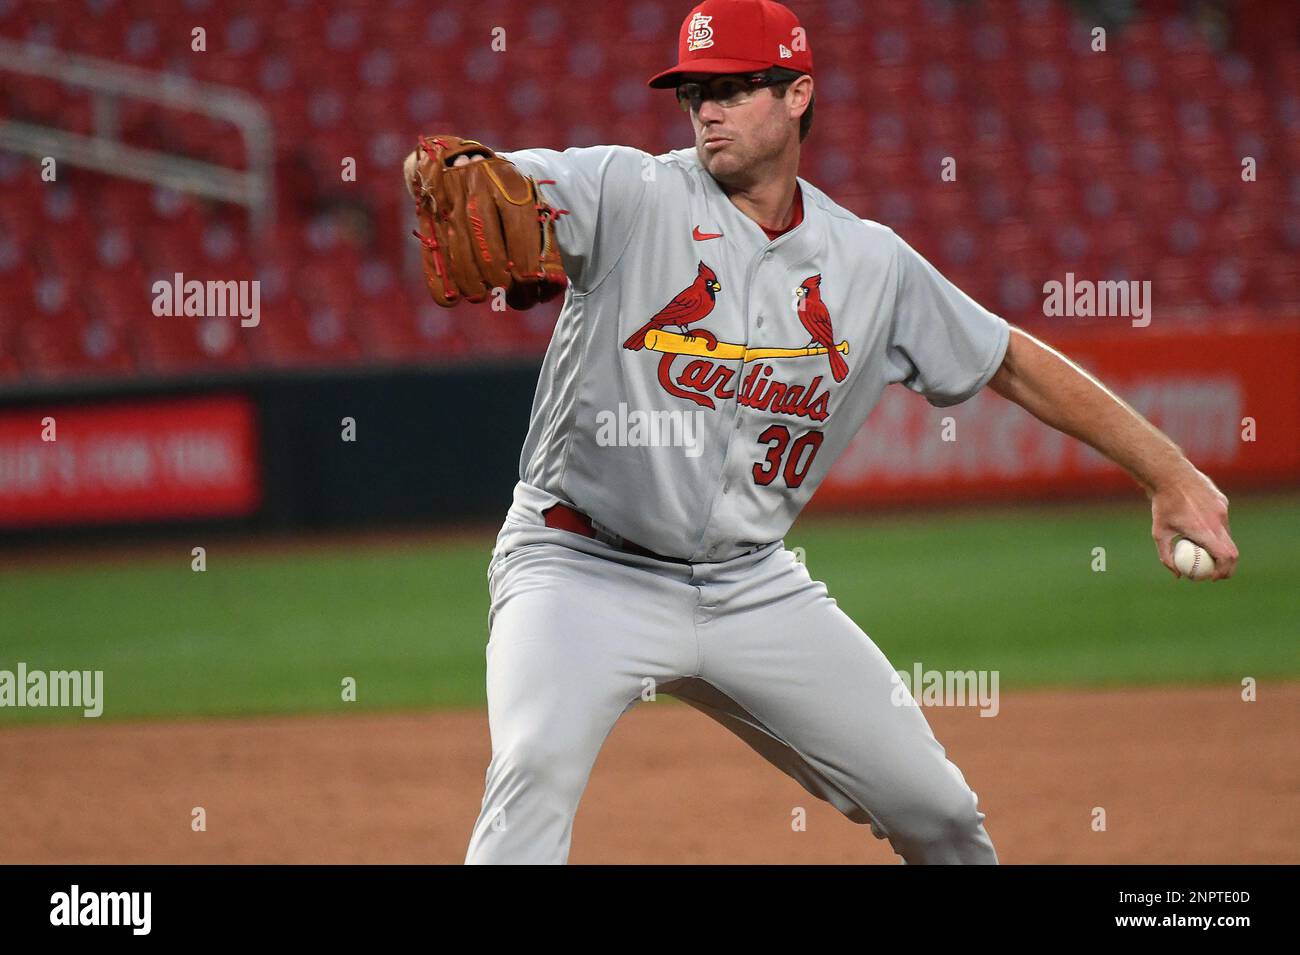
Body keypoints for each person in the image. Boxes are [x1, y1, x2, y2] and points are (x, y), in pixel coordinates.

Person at [409, 0, 1238, 864]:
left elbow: (1011, 361)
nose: (707, 111)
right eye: (694, 93)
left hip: (748, 584)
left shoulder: (869, 263)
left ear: (798, 94)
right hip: (579, 568)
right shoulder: (629, 191)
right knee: (532, 768)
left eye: (733, 88)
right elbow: (484, 177)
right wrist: (450, 165)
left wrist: (1168, 472)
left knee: (942, 814)